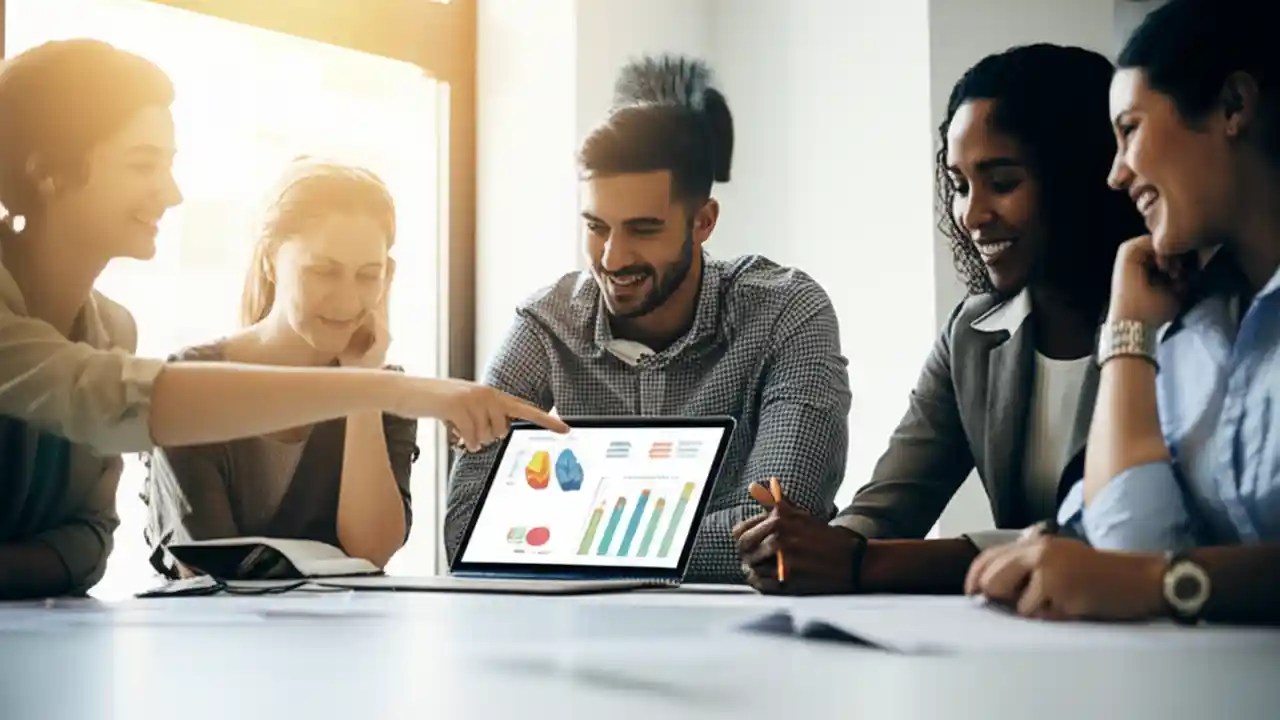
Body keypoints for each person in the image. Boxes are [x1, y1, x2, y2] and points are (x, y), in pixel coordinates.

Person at [0, 39, 565, 599]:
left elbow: (90, 543)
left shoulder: (111, 329)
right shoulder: (167, 371)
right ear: (49, 172)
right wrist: (399, 389)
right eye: (143, 163)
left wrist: (370, 387)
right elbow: (126, 405)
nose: (172, 192)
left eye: (368, 273)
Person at [735, 44, 1144, 595]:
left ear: (1079, 176)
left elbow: (1109, 536)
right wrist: (805, 550)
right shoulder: (971, 335)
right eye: (959, 186)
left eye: (1001, 182)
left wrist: (858, 561)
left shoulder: (1165, 317)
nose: (973, 215)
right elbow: (890, 504)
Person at [444, 54, 851, 583]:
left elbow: (778, 530)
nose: (612, 258)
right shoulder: (546, 324)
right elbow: (467, 531)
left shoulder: (785, 312)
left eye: (642, 229)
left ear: (702, 222)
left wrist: (550, 535)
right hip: (572, 639)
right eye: (597, 227)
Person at [968, 0, 1280, 625]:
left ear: (1233, 108)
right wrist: (1128, 329)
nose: (1114, 174)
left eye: (1130, 129)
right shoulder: (1190, 328)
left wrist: (1167, 580)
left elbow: (1141, 574)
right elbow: (1128, 545)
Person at [145, 159, 417, 574]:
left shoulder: (385, 392)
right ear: (271, 260)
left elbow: (371, 550)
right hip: (210, 634)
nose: (347, 301)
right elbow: (207, 565)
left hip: (340, 636)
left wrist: (362, 384)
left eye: (368, 275)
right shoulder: (190, 383)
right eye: (323, 271)